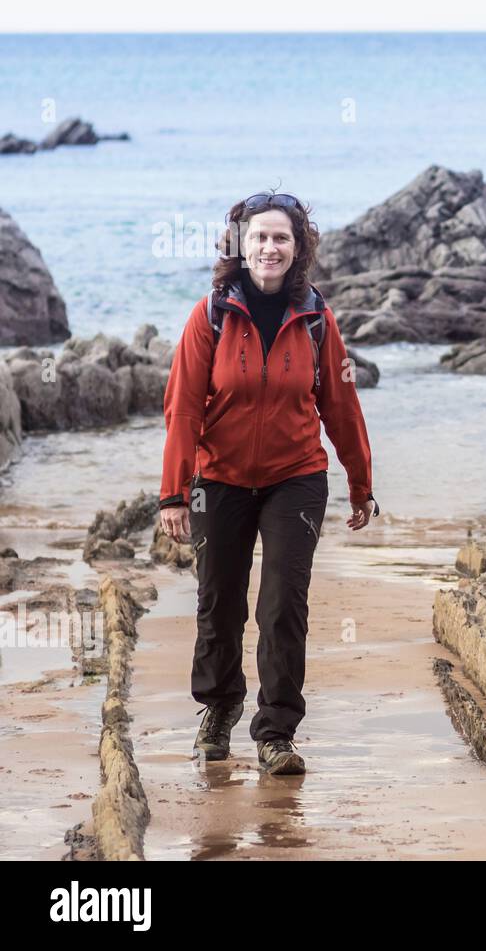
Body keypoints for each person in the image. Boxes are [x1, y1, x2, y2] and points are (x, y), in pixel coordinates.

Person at [157, 191, 376, 775]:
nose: (270, 247)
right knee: (220, 602)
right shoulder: (211, 315)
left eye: (281, 237)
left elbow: (341, 406)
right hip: (219, 480)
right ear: (240, 244)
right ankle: (219, 709)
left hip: (295, 478)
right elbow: (182, 409)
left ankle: (276, 732)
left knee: (283, 606)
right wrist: (175, 493)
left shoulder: (317, 318)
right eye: (259, 236)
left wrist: (361, 482)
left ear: (298, 246)